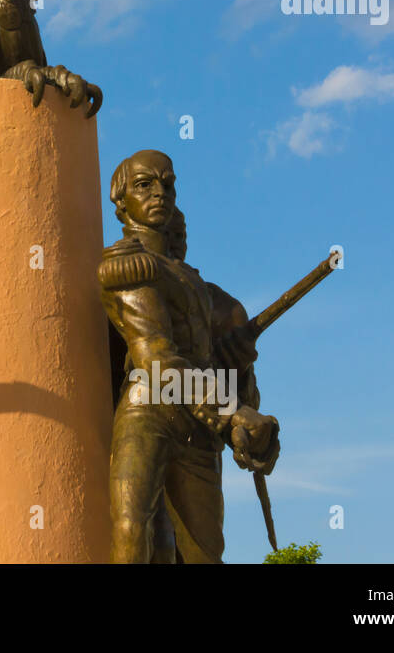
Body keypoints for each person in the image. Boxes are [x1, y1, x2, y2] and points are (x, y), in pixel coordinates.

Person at [99, 150, 279, 564]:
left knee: (206, 553)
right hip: (150, 406)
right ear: (119, 197)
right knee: (132, 524)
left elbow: (231, 380)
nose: (159, 192)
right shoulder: (128, 265)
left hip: (198, 423)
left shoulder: (205, 291)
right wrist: (232, 414)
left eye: (167, 184)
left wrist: (240, 365)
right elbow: (156, 359)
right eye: (144, 184)